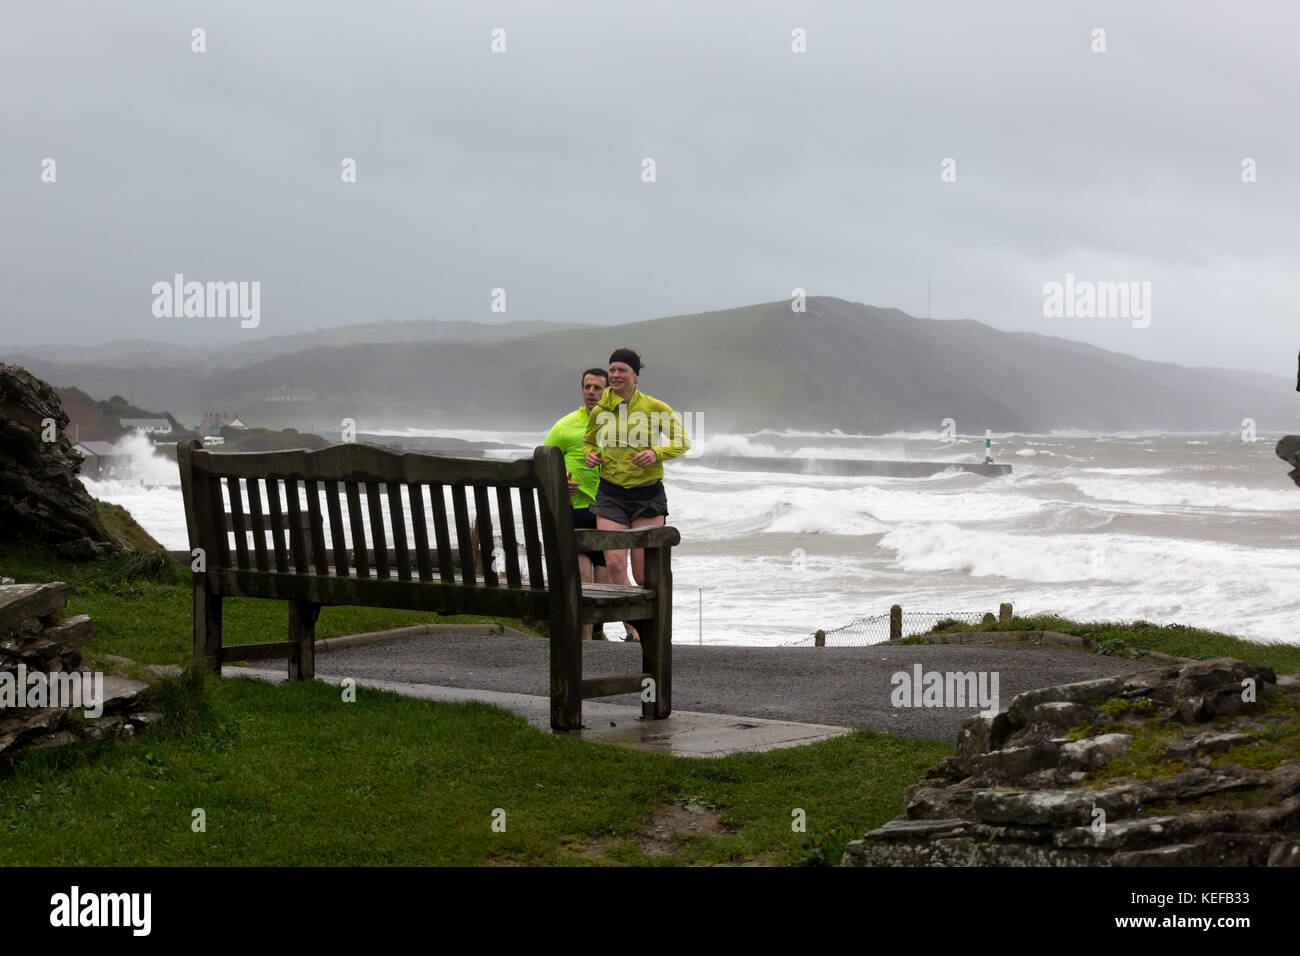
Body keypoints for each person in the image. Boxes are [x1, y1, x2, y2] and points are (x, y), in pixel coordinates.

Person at [582, 348, 690, 641]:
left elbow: (682, 442)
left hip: (647, 497)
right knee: (616, 563)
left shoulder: (656, 408)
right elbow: (589, 442)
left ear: (636, 376)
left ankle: (655, 624)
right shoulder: (601, 409)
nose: (615, 375)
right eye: (612, 370)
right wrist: (592, 456)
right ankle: (634, 631)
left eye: (622, 370)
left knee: (644, 577)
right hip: (611, 495)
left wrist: (656, 453)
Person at [543, 367, 620, 641]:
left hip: (608, 513)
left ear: (608, 391)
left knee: (603, 585)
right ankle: (585, 646)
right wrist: (560, 483)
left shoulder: (618, 424)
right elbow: (542, 462)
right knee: (584, 580)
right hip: (575, 513)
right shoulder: (565, 426)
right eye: (587, 387)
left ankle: (595, 636)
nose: (591, 392)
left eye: (597, 388)